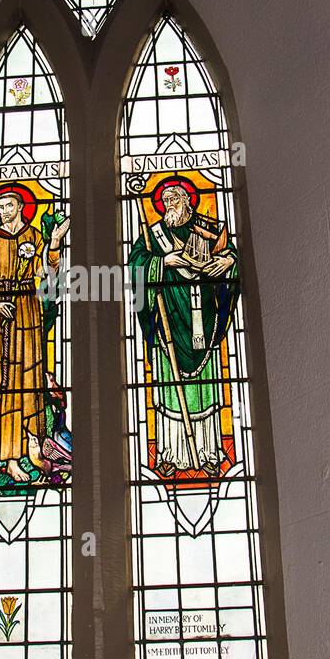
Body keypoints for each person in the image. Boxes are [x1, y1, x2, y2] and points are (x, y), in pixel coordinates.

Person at [128, 180, 238, 474]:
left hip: (205, 315)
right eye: (164, 201)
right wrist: (163, 261)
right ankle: (170, 452)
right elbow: (135, 264)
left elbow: (233, 256)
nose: (168, 205)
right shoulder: (154, 236)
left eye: (173, 199)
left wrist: (227, 262)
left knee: (204, 388)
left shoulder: (209, 228)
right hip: (169, 319)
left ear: (188, 200)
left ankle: (209, 453)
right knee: (170, 387)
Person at [0, 188, 68, 486]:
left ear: (21, 206)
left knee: (22, 386)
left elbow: (48, 272)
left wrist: (55, 243)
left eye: (8, 205)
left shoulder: (33, 237)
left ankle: (12, 460)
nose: (3, 210)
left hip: (26, 314)